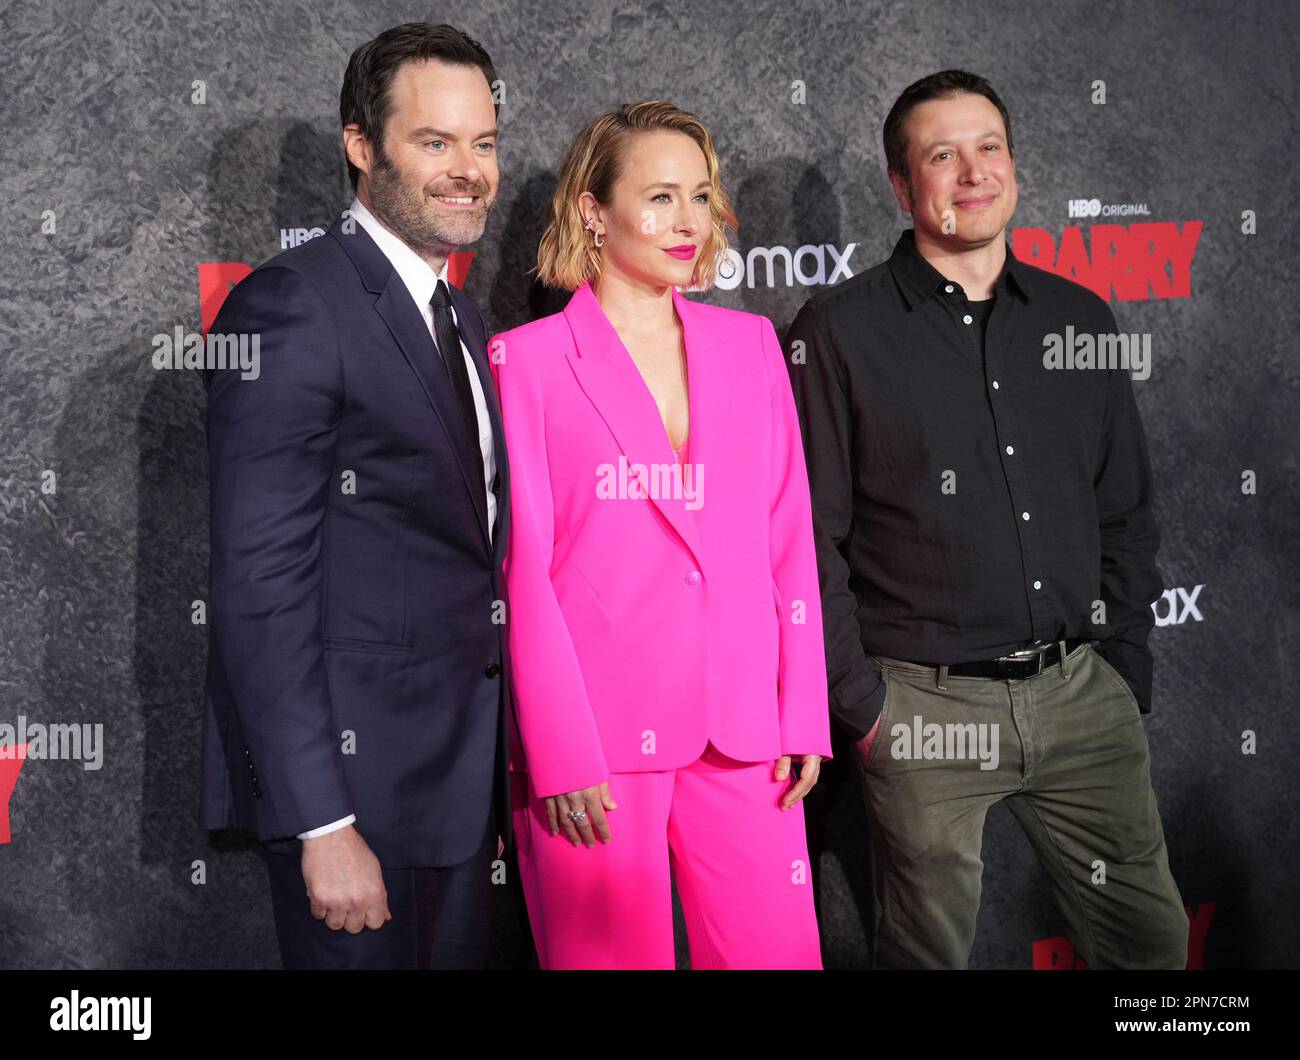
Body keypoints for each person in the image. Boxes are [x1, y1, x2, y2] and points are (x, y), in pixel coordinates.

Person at [785, 69, 1188, 970]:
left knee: (1152, 953)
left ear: (1014, 165)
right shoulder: (838, 332)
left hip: (1083, 695)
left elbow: (1126, 511)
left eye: (988, 148)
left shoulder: (1080, 318)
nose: (972, 173)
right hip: (921, 708)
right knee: (926, 956)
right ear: (902, 185)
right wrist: (864, 707)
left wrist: (1123, 671)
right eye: (942, 155)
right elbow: (809, 540)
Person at [491, 101, 831, 969]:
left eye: (701, 197)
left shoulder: (751, 345)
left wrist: (801, 711)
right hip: (596, 751)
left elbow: (788, 538)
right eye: (661, 197)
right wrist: (558, 753)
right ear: (592, 211)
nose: (688, 223)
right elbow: (525, 573)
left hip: (745, 731)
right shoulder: (524, 363)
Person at [199, 22, 511, 969]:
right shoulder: (294, 305)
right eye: (434, 142)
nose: (468, 171)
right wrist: (321, 821)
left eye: (484, 143)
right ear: (361, 147)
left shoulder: (460, 312)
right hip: (354, 802)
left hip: (461, 795)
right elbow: (259, 583)